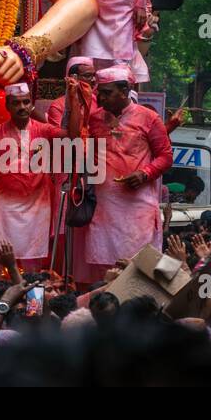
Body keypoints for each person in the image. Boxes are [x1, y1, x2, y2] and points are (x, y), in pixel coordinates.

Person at [78, 67, 173, 282]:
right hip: (104, 208)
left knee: (138, 270)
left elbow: (165, 157)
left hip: (137, 210)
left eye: (107, 92)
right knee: (103, 271)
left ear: (124, 90)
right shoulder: (95, 119)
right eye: (99, 92)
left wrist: (144, 173)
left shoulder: (149, 118)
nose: (101, 98)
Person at [0, 82, 73, 269]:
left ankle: (31, 297)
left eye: (26, 102)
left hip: (36, 207)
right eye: (16, 103)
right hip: (2, 207)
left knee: (33, 261)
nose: (22, 107)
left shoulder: (44, 131)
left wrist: (76, 99)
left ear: (31, 105)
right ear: (7, 106)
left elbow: (72, 137)